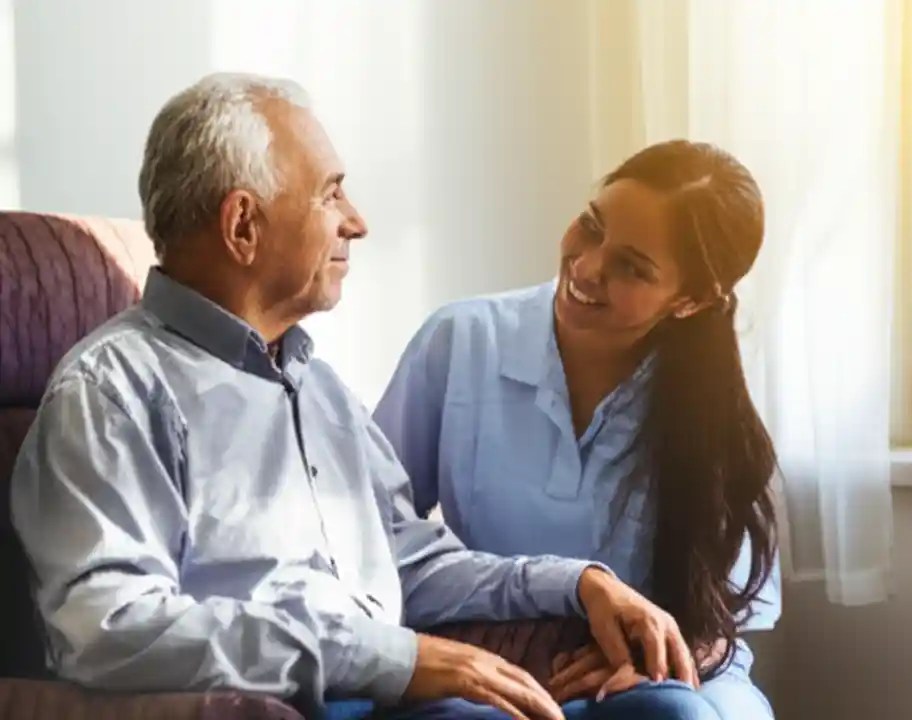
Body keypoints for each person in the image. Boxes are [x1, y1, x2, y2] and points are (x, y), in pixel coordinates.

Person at [9, 74, 709, 720]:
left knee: (670, 713)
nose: (358, 221)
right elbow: (106, 629)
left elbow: (408, 561)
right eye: (330, 193)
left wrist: (578, 582)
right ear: (243, 226)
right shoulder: (112, 393)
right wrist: (389, 658)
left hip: (396, 694)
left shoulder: (318, 387)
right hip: (305, 705)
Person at [375, 140, 782, 719]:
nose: (589, 267)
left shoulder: (715, 403)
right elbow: (367, 537)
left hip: (673, 668)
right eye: (592, 227)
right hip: (498, 658)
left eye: (633, 268)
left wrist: (655, 656)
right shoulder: (462, 342)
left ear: (689, 301)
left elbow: (736, 608)